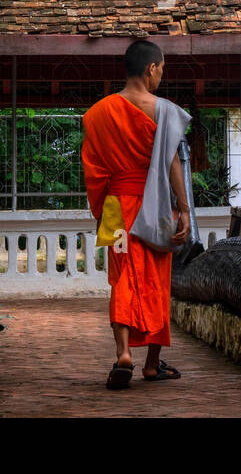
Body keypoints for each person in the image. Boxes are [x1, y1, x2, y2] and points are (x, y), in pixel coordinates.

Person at [81, 38, 191, 390]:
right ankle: (152, 364)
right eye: (162, 69)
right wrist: (185, 209)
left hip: (115, 206)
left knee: (122, 280)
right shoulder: (165, 111)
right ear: (151, 69)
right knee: (157, 282)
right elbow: (173, 163)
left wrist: (101, 210)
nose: (161, 76)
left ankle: (123, 354)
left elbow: (94, 169)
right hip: (156, 205)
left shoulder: (99, 113)